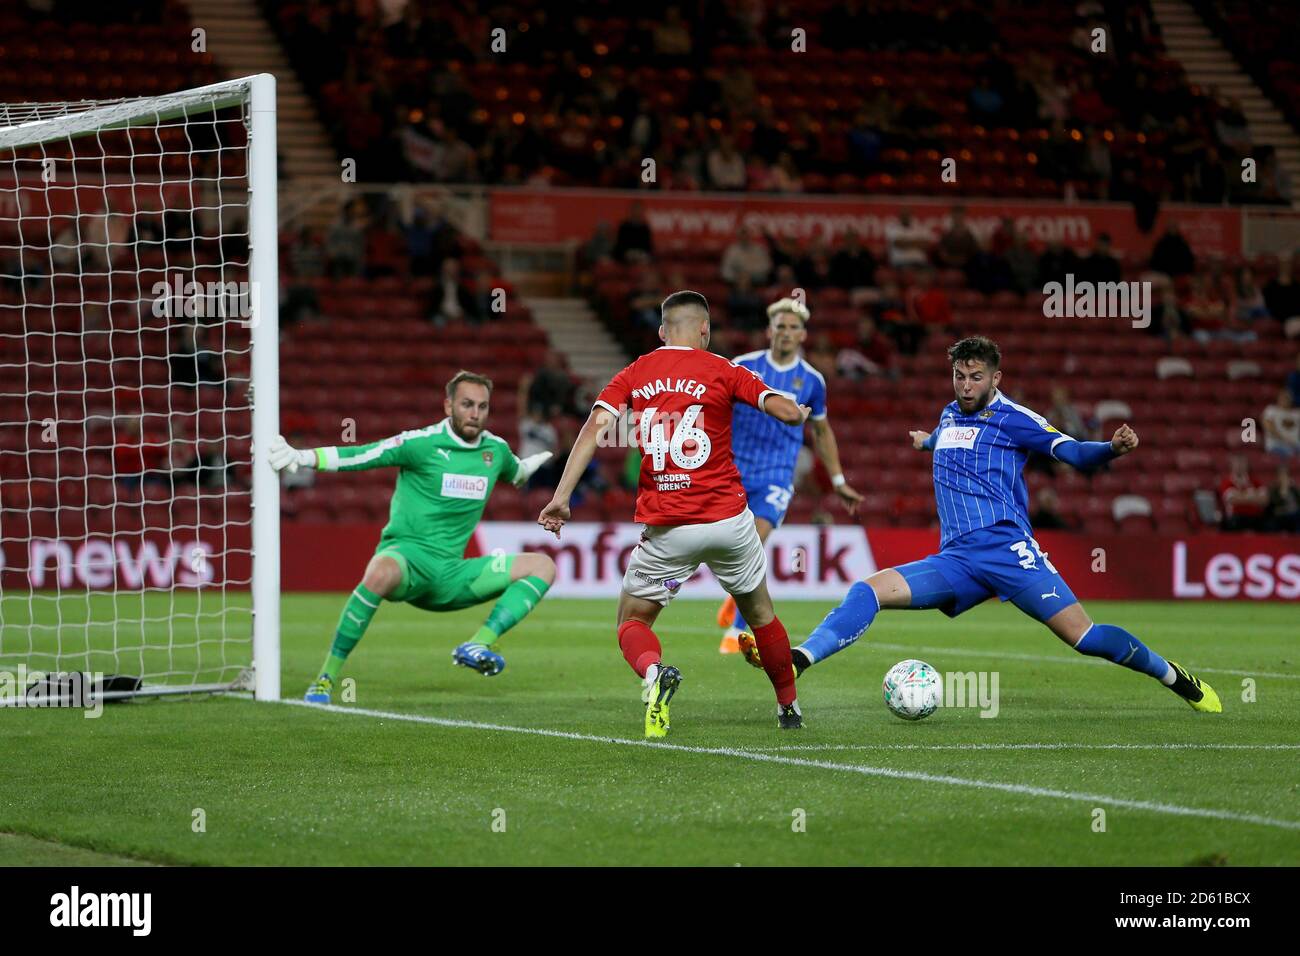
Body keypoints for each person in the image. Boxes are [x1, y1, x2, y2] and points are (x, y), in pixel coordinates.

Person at [737, 336, 1222, 714]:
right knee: (868, 590)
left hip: (1011, 553)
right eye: (959, 375)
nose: (965, 385)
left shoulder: (1015, 418)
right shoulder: (949, 415)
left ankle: (1172, 676)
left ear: (995, 377)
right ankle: (801, 658)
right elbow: (955, 441)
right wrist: (929, 441)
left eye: (975, 377)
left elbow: (1072, 452)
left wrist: (1110, 449)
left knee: (1085, 639)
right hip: (957, 561)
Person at [537, 291, 811, 735]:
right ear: (704, 330)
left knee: (633, 620)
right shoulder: (723, 368)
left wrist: (561, 497)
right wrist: (796, 413)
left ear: (663, 331)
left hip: (670, 528)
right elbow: (779, 407)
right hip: (729, 522)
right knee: (761, 614)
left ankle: (654, 674)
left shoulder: (636, 371)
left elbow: (594, 428)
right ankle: (788, 707)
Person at [268, 371, 556, 703]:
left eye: (482, 406)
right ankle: (326, 677)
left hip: (451, 575)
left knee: (543, 566)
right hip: (407, 563)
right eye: (466, 404)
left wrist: (527, 468)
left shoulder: (495, 450)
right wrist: (302, 457)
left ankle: (478, 643)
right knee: (379, 572)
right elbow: (360, 455)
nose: (475, 413)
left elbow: (515, 472)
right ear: (448, 405)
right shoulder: (419, 444)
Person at [714, 298, 864, 651]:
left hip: (777, 475)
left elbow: (822, 432)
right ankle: (735, 599)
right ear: (769, 331)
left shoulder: (812, 380)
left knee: (752, 542)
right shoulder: (742, 367)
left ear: (803, 334)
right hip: (731, 471)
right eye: (780, 326)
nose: (786, 332)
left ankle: (737, 629)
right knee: (726, 549)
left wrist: (839, 481)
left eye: (793, 327)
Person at [1219, 455, 1268, 531]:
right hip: (1236, 517)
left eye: (1242, 463)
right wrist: (1253, 496)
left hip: (1255, 517)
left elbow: (1264, 500)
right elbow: (1232, 500)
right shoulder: (1226, 482)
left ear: (1247, 465)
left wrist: (1240, 495)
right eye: (1237, 463)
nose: (1239, 466)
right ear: (1232, 465)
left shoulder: (1256, 482)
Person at [1262, 389, 1300, 456]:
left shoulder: (1297, 413)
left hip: (1296, 445)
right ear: (1278, 398)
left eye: (1287, 397)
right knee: (1290, 455)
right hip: (1277, 445)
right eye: (1283, 397)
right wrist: (1285, 439)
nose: (1285, 399)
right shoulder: (1271, 410)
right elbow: (1268, 426)